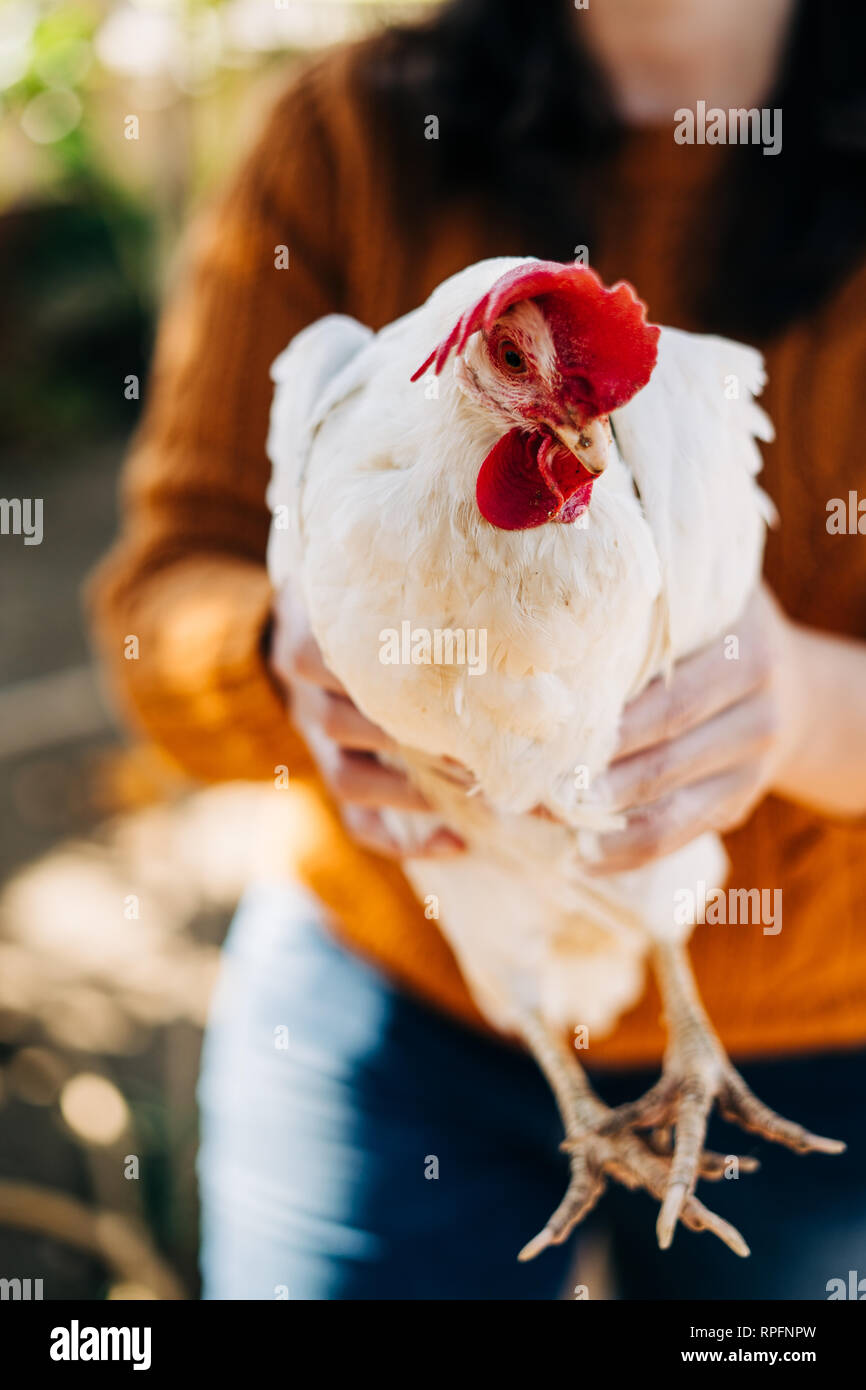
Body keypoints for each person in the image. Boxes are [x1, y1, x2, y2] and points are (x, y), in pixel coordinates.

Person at [90, 0, 866, 1299]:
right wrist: (289, 646)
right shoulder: (349, 129)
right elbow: (161, 595)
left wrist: (804, 709)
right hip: (395, 999)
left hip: (826, 1034)